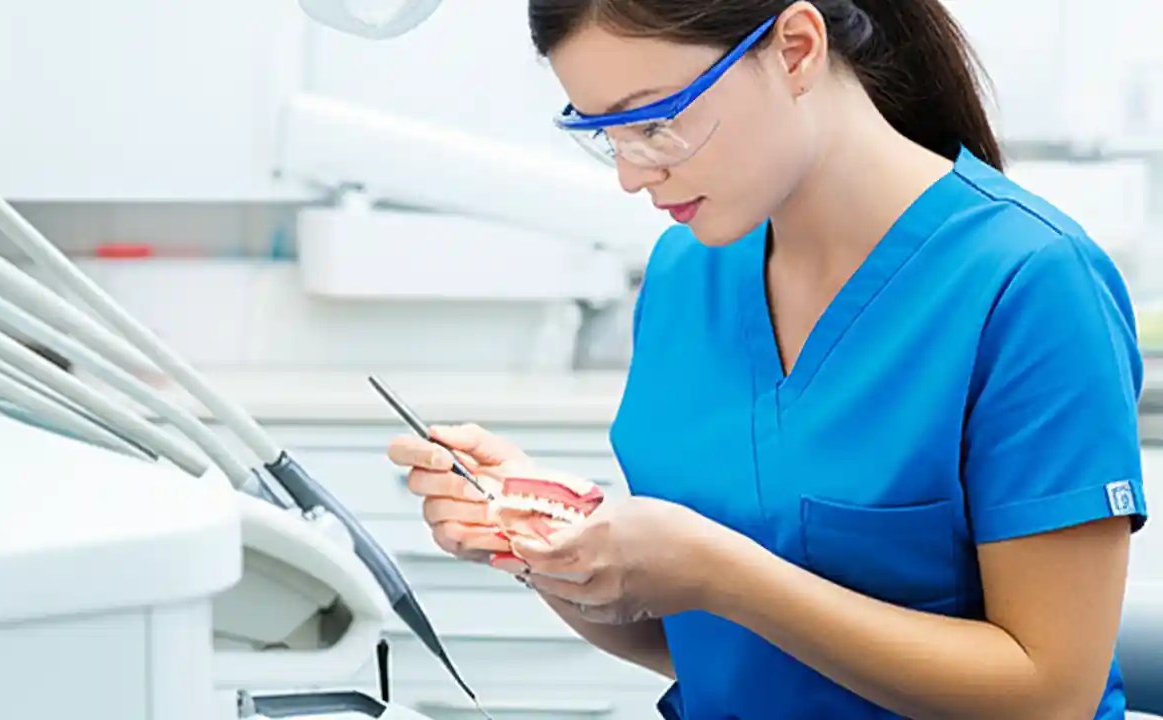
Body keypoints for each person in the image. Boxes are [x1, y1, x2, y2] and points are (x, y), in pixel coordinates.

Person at [386, 1, 1149, 717]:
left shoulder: (1030, 284)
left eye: (656, 122)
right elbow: (708, 648)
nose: (630, 174)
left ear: (796, 50)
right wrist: (538, 540)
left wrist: (719, 573)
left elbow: (1051, 695)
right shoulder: (686, 273)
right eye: (605, 134)